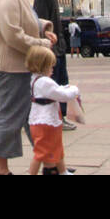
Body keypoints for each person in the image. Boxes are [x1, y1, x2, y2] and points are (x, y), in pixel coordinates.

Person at [0, 0, 64, 175]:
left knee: (32, 115)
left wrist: (43, 27)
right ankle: (1, 170)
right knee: (9, 117)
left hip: (19, 65)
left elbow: (24, 20)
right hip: (11, 66)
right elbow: (12, 34)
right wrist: (42, 44)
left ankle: (50, 162)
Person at [25, 45, 80, 175]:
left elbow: (55, 91)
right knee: (41, 152)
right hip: (46, 123)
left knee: (56, 147)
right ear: (43, 66)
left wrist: (65, 87)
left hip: (40, 121)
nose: (52, 69)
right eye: (50, 66)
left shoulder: (35, 80)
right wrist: (74, 90)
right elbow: (62, 95)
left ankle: (63, 171)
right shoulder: (45, 82)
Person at [33, 0, 75, 129]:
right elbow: (42, 21)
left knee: (61, 82)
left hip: (58, 47)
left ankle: (60, 116)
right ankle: (57, 117)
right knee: (55, 83)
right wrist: (47, 44)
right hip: (51, 48)